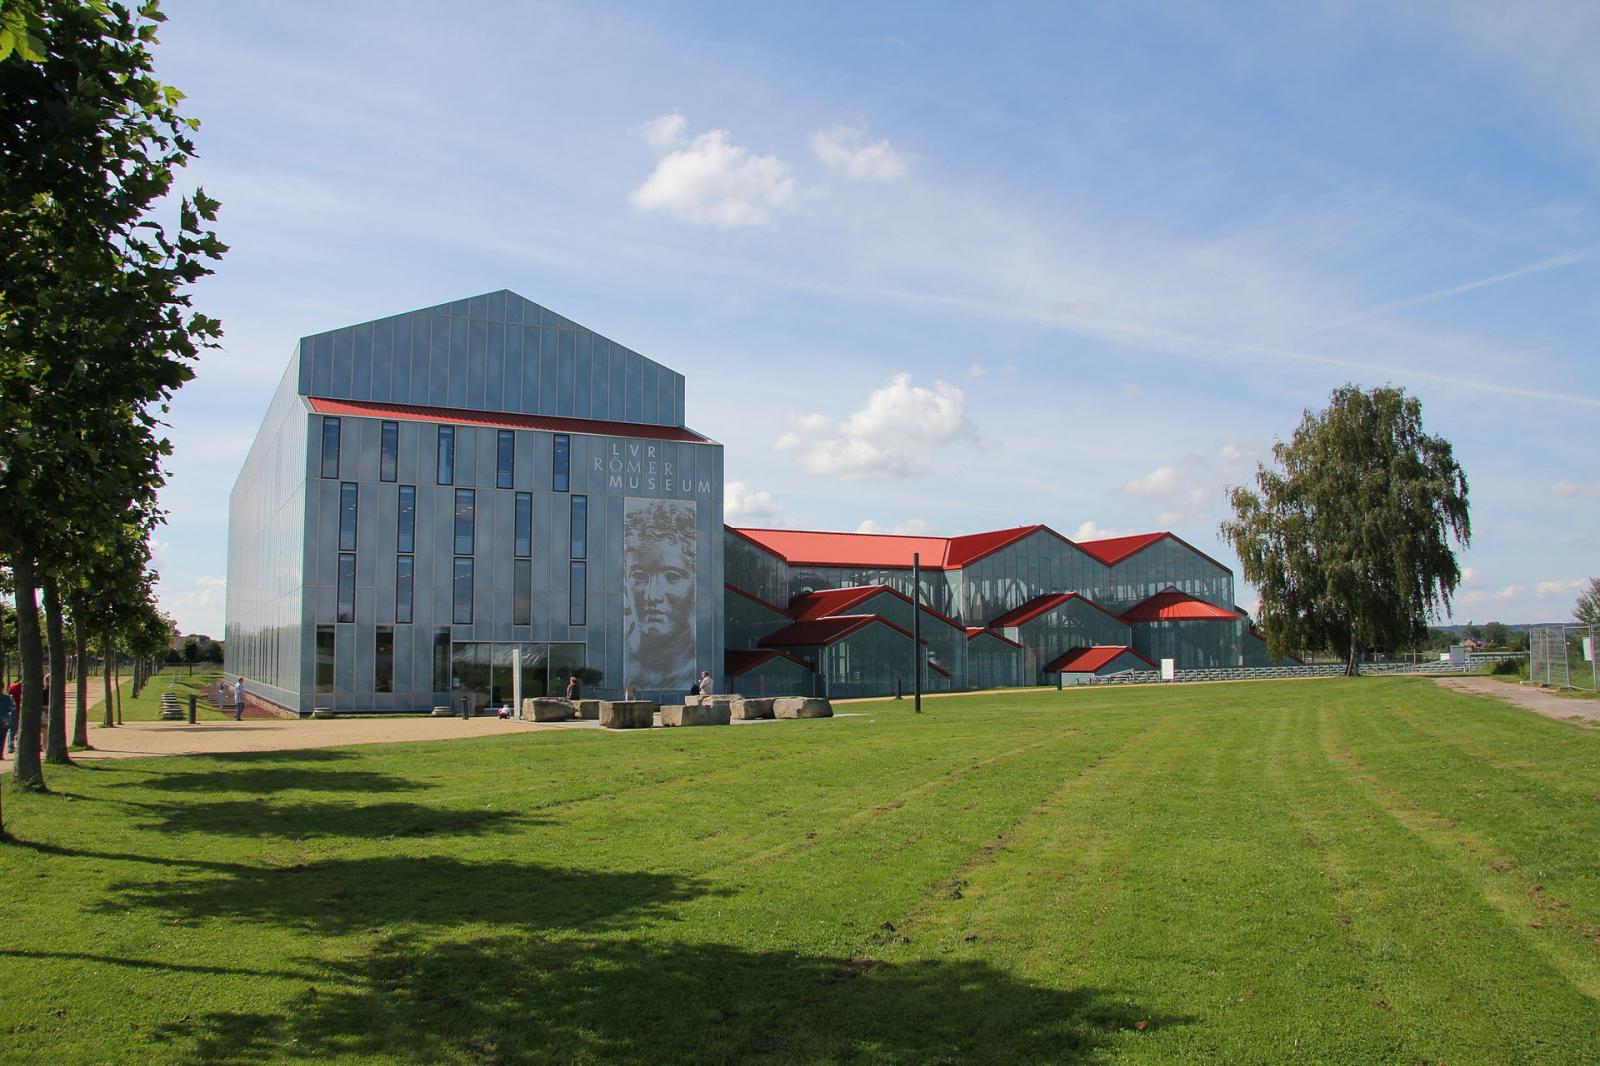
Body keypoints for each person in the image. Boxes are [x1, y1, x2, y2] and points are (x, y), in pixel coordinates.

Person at [622, 498, 698, 691]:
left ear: (694, 587)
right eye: (639, 575)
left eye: (672, 577)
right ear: (625, 584)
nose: (652, 596)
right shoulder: (613, 656)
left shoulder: (698, 662)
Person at [0, 687, 15, 756]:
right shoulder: (7, 697)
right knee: (2, 737)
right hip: (4, 718)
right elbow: (12, 708)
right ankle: (0, 753)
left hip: (4, 717)